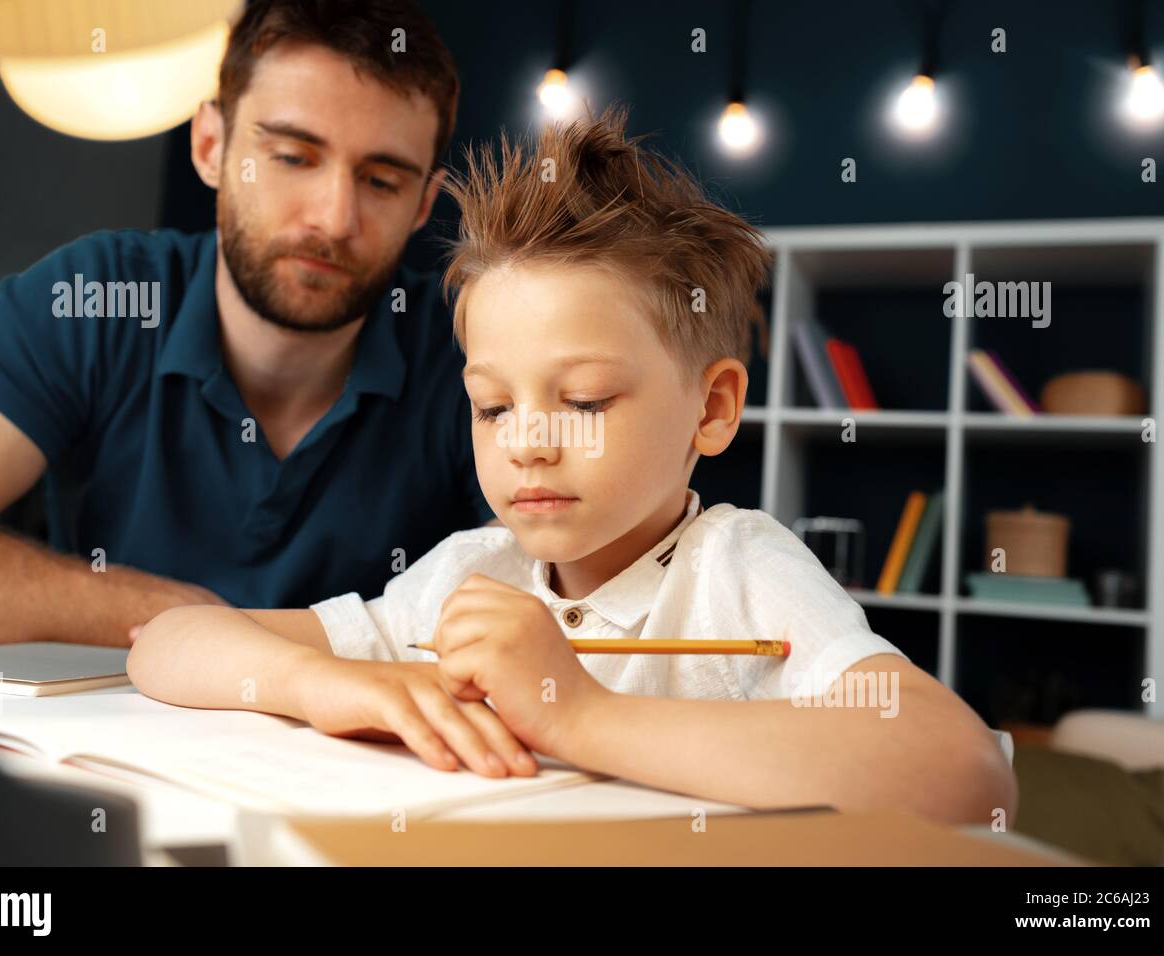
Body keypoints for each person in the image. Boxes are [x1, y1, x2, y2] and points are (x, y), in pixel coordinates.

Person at [127, 107, 1018, 824]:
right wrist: (328, 683)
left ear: (710, 410)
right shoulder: (471, 575)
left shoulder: (738, 570)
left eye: (585, 401)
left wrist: (576, 713)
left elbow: (965, 773)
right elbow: (165, 644)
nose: (527, 442)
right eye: (492, 406)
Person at [0, 0, 492, 648]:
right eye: (292, 157)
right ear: (209, 145)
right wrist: (164, 612)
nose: (335, 219)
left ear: (423, 203)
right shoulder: (97, 297)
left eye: (382, 181)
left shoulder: (473, 345)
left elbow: (567, 600)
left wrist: (218, 639)